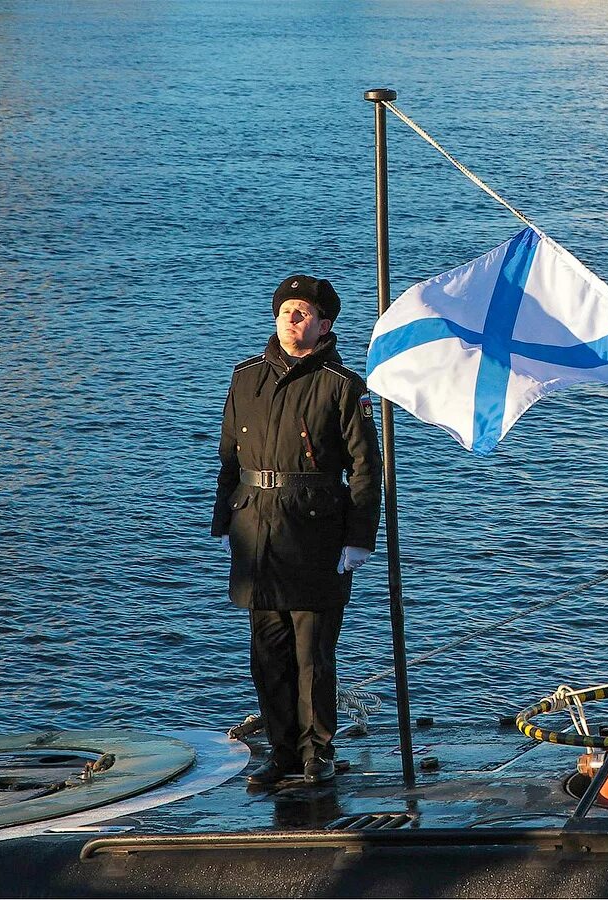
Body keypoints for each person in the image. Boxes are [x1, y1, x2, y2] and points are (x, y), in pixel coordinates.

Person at [212, 274, 382, 787]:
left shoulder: (341, 386)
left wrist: (358, 539)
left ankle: (317, 753)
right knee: (268, 653)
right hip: (256, 532)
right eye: (286, 309)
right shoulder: (246, 378)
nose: (292, 317)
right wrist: (225, 520)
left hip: (316, 534)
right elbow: (227, 456)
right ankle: (281, 751)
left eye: (303, 312)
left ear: (324, 324)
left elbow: (367, 468)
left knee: (313, 655)